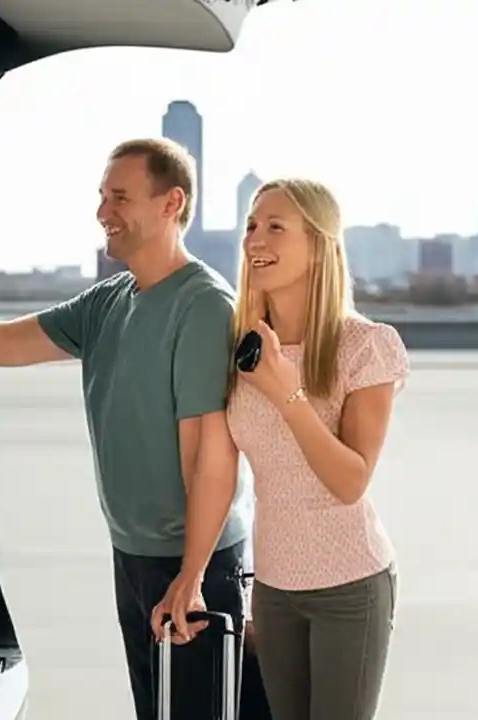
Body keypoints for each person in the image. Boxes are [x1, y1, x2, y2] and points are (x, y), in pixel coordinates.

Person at [0, 138, 251, 720]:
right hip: (138, 551)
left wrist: (191, 575)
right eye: (101, 196)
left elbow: (210, 460)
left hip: (194, 560)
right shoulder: (110, 302)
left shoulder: (203, 307)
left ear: (171, 204)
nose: (103, 212)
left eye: (120, 197)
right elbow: (7, 341)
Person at [174, 178, 407, 720]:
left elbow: (350, 482)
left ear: (320, 246)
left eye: (276, 227)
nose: (256, 240)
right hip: (274, 591)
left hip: (351, 587)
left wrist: (287, 393)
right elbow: (214, 470)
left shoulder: (366, 347)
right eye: (252, 226)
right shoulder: (241, 351)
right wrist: (191, 574)